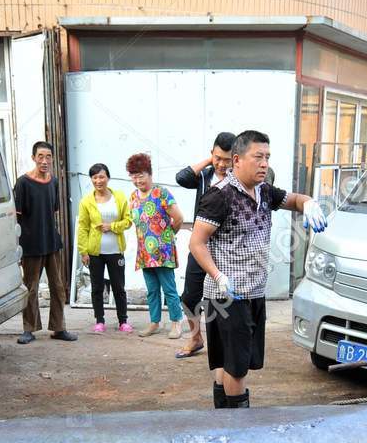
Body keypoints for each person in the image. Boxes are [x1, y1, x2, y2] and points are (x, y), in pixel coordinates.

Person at [190, 129, 327, 408]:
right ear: (237, 159)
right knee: (237, 368)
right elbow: (197, 243)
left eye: (267, 157)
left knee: (229, 361)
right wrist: (218, 276)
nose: (264, 163)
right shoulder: (220, 196)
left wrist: (309, 203)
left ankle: (222, 417)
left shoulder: (264, 192)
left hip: (253, 291)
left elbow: (295, 200)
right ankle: (239, 425)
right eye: (258, 157)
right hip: (227, 295)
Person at [174, 132, 235, 358]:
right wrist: (210, 162)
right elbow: (182, 177)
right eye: (217, 157)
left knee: (225, 299)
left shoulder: (239, 180)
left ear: (235, 159)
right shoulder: (204, 176)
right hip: (201, 247)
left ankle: (227, 345)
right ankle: (196, 337)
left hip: (229, 250)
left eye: (226, 160)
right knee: (189, 297)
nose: (221, 164)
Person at [13, 141, 77, 344]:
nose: (45, 161)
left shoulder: (53, 181)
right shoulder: (23, 183)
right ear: (33, 158)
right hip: (31, 244)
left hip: (51, 242)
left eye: (48, 156)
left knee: (58, 286)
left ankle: (59, 328)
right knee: (31, 287)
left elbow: (53, 211)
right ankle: (29, 329)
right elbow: (16, 216)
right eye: (40, 156)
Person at [125, 152, 185, 337]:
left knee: (169, 289)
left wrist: (167, 237)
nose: (138, 180)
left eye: (141, 175)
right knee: (151, 290)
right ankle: (154, 322)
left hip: (163, 251)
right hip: (145, 253)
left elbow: (179, 218)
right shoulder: (133, 197)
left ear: (150, 174)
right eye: (134, 176)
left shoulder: (161, 193)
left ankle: (176, 322)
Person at [77, 163, 132, 333]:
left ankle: (123, 321)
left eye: (101, 176)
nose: (98, 180)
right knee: (97, 287)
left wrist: (112, 226)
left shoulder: (120, 197)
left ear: (108, 177)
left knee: (118, 287)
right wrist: (83, 251)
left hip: (116, 250)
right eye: (94, 177)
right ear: (91, 179)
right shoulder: (86, 201)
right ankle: (99, 320)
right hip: (95, 252)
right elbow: (83, 227)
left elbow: (128, 221)